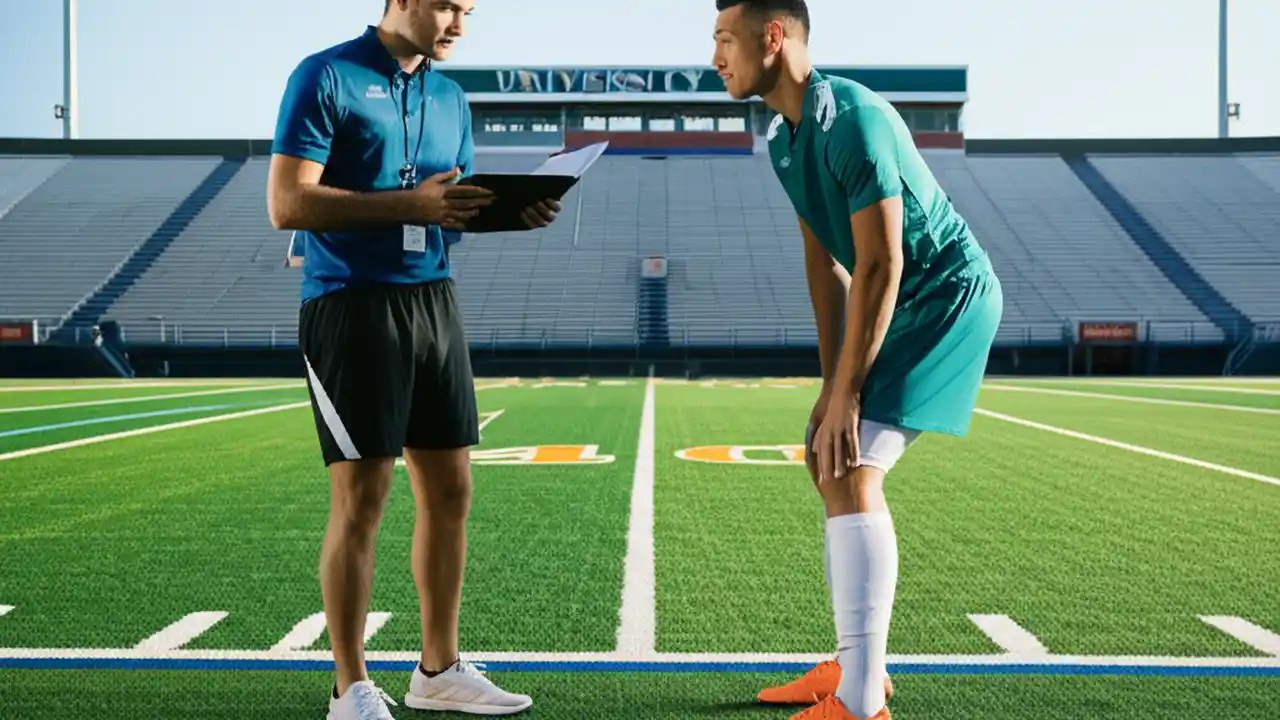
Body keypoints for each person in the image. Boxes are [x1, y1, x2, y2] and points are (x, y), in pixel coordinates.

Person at [711, 2, 1004, 719]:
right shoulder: (785, 139)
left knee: (851, 465)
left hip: (943, 297)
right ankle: (855, 664)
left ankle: (862, 701)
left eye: (725, 39)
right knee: (827, 454)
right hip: (901, 297)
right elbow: (827, 272)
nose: (715, 56)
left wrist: (849, 394)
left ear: (772, 37)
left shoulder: (856, 120)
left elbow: (880, 262)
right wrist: (828, 389)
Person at [267, 1, 559, 717]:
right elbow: (286, 204)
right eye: (445, 5)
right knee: (363, 499)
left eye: (468, 8)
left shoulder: (450, 97)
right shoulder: (325, 76)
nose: (459, 21)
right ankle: (350, 686)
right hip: (351, 303)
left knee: (452, 492)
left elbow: (443, 206)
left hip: (434, 301)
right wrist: (410, 206)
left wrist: (507, 210)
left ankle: (437, 671)